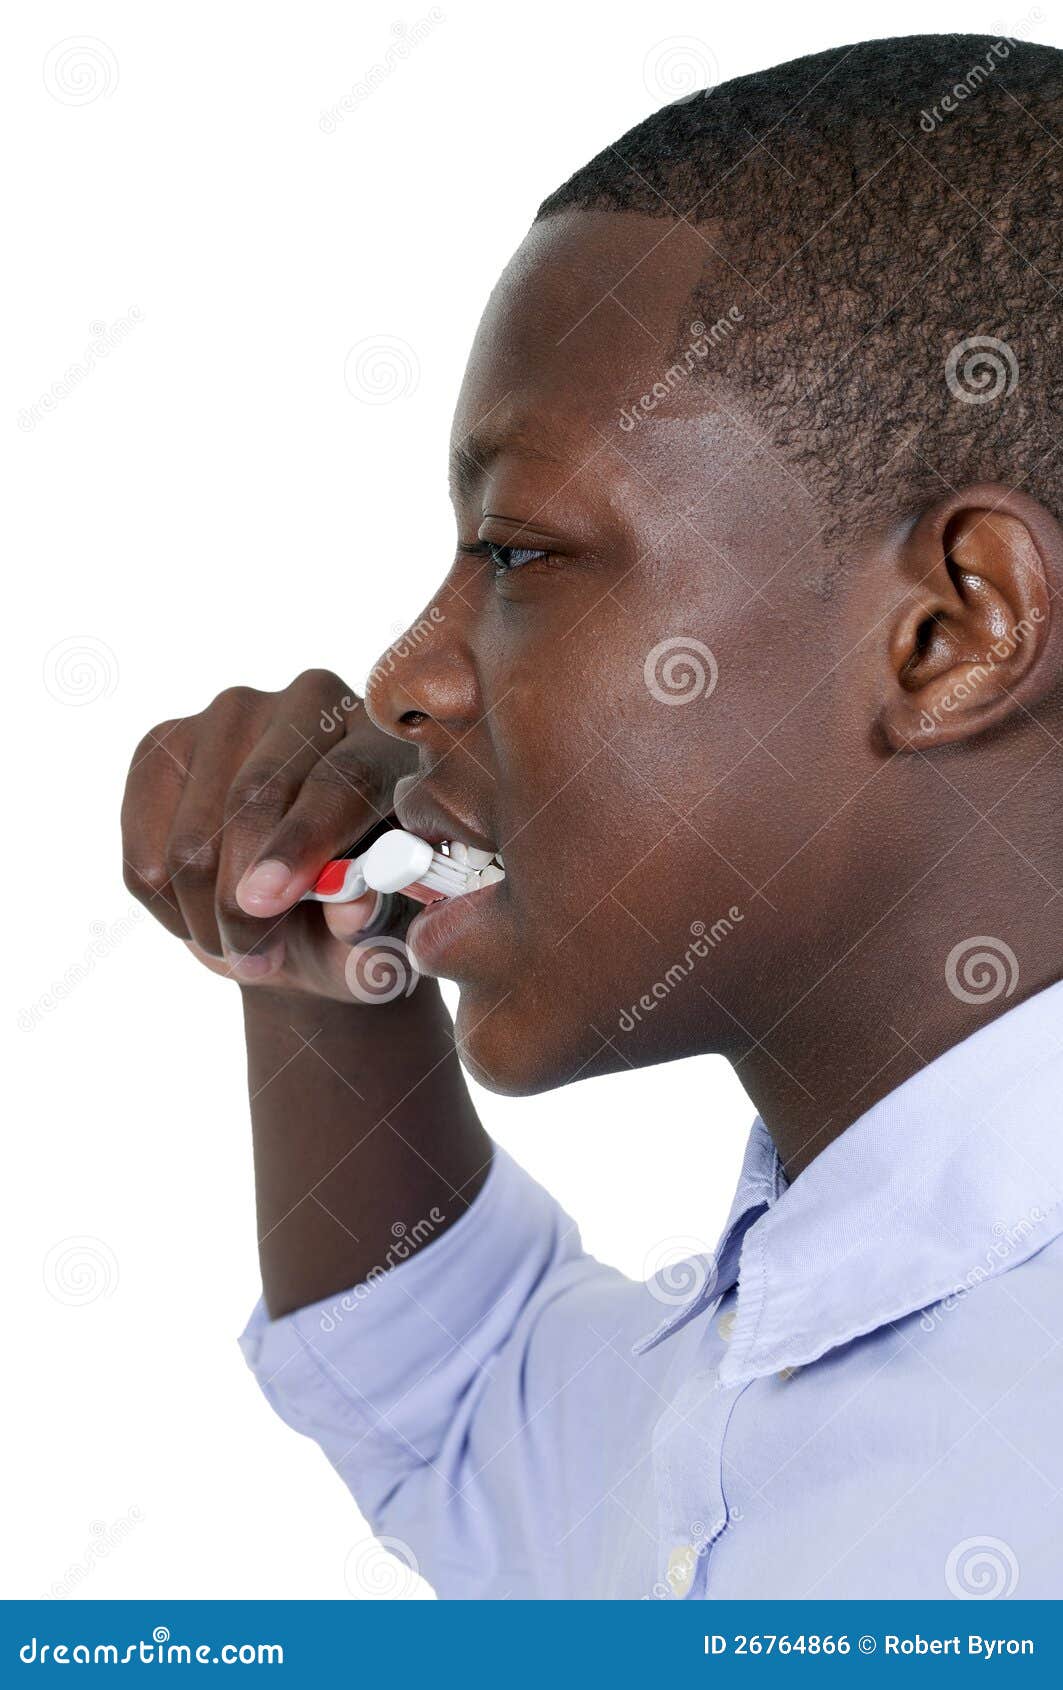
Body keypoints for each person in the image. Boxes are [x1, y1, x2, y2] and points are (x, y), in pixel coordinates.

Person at [121, 34, 1063, 1598]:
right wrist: (326, 987)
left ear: (952, 631)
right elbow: (463, 1398)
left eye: (521, 552)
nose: (406, 675)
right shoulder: (793, 1350)